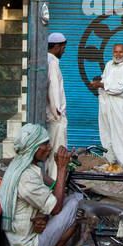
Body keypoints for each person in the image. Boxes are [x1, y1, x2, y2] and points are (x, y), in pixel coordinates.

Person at [0, 124, 78, 246]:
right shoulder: (26, 177)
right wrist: (61, 169)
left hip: (20, 242)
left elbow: (50, 189)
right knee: (74, 205)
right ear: (34, 148)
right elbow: (56, 208)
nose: (49, 147)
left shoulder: (20, 167)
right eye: (45, 144)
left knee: (69, 202)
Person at [92, 43, 123, 165]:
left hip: (120, 105)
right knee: (106, 133)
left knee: (121, 134)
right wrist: (100, 84)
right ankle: (109, 162)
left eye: (120, 52)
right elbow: (105, 79)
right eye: (115, 52)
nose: (117, 54)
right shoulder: (109, 65)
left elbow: (118, 89)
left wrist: (100, 85)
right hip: (106, 103)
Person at [45, 32, 68, 179]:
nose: (64, 51)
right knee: (58, 150)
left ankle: (51, 179)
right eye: (63, 48)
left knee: (51, 149)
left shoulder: (47, 60)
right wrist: (57, 112)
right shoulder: (52, 62)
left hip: (52, 115)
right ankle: (55, 181)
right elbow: (53, 89)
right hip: (55, 118)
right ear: (57, 46)